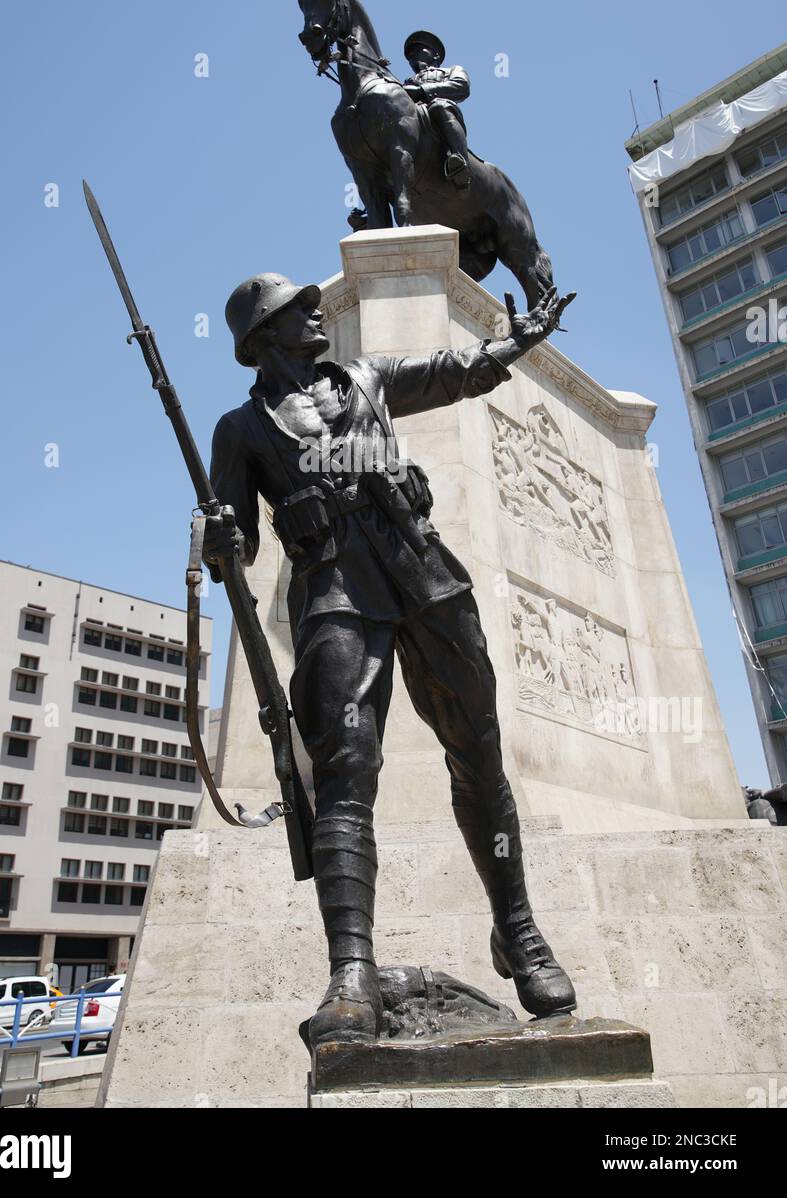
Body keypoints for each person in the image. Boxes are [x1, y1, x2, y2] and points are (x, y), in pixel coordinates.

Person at [205, 270, 576, 1047]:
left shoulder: (365, 378)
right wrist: (218, 541)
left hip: (424, 574)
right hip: (337, 592)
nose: (315, 310)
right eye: (296, 307)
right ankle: (351, 972)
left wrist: (520, 336)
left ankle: (519, 931)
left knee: (477, 752)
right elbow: (232, 543)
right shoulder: (239, 431)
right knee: (344, 774)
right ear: (262, 336)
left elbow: (453, 372)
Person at [403, 30, 472, 186]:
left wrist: (422, 91)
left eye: (419, 50)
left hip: (443, 112)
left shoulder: (452, 70)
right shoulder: (406, 82)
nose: (413, 55)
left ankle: (459, 161)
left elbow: (461, 86)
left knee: (438, 106)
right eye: (410, 55)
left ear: (435, 55)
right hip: (415, 116)